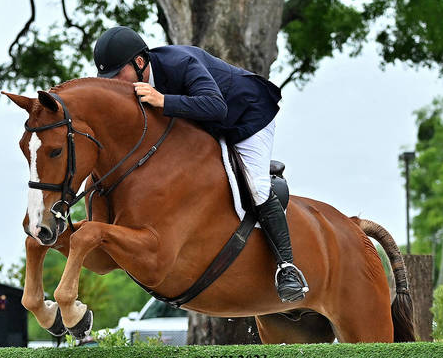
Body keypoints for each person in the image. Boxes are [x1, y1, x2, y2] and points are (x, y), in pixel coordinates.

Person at [93, 26, 309, 302]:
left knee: (255, 186)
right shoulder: (136, 83)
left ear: (139, 63)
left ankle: (287, 268)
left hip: (247, 117)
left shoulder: (180, 63)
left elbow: (216, 107)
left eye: (116, 74)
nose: (114, 83)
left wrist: (162, 100)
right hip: (208, 126)